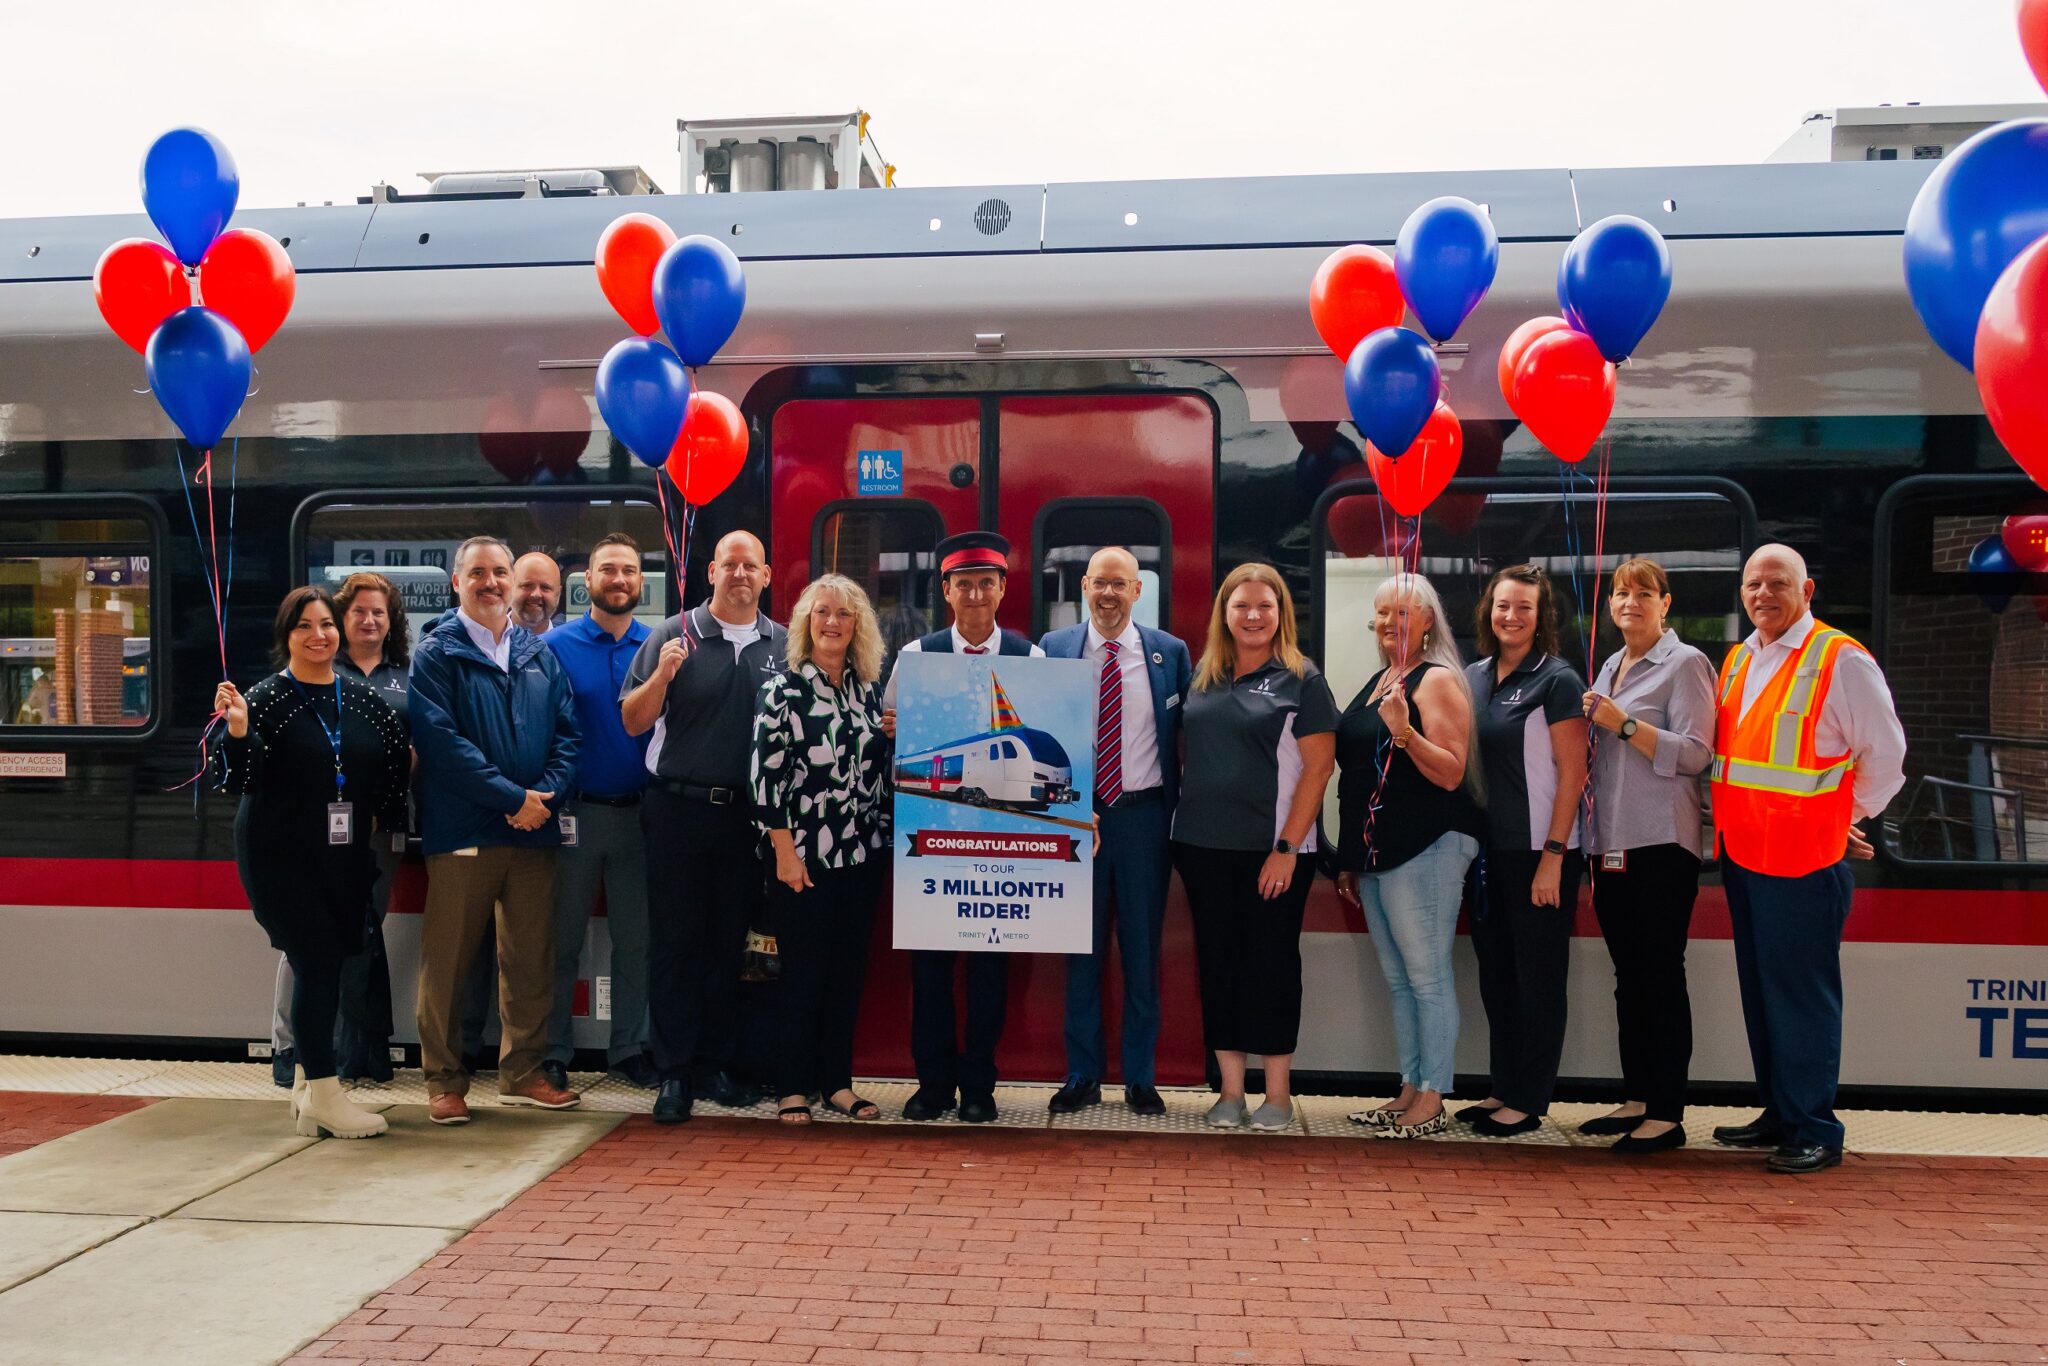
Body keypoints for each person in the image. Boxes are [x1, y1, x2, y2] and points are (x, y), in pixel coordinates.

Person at [1708, 544, 1906, 1175]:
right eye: (1753, 584)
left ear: (1807, 589)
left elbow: (1888, 755)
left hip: (1803, 861)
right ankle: (1781, 1111)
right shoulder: (1740, 658)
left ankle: (1815, 1126)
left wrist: (1843, 818)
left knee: (1802, 997)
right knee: (1763, 993)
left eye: (1778, 583)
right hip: (1743, 854)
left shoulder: (1840, 659)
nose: (1763, 594)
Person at [213, 587, 408, 1138]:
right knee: (317, 963)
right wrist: (238, 730)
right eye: (304, 626)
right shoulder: (265, 699)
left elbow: (390, 764)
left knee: (330, 963)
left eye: (326, 624)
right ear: (286, 636)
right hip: (280, 856)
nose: (318, 635)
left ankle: (306, 1088)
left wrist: (382, 817)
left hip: (344, 856)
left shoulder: (363, 699)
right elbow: (239, 780)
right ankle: (326, 1092)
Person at [410, 535, 582, 1125]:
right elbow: (440, 742)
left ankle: (524, 1072)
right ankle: (444, 1080)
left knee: (531, 960)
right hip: (464, 831)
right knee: (451, 961)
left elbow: (568, 734)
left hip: (533, 833)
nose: (491, 582)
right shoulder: (437, 652)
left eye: (500, 572)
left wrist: (544, 796)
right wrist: (514, 798)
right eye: (477, 573)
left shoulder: (538, 652)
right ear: (456, 582)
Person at [622, 530, 787, 1123]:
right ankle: (673, 1073)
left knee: (726, 946)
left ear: (766, 576)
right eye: (730, 565)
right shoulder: (673, 634)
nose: (740, 574)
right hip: (677, 810)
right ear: (710, 571)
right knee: (675, 945)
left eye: (751, 566)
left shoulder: (784, 644)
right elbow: (633, 723)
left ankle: (715, 1064)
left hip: (745, 817)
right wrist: (662, 678)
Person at [882, 530, 1044, 1124]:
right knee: (929, 972)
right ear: (947, 592)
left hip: (1002, 844)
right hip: (932, 841)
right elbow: (891, 728)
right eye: (963, 584)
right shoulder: (916, 657)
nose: (975, 594)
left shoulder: (1031, 658)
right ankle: (932, 1085)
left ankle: (979, 1085)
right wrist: (893, 730)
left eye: (986, 583)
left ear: (1002, 589)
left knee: (989, 972)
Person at [1170, 563, 1337, 1133]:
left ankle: (1278, 1096)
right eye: (1241, 606)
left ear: (1281, 613)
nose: (1253, 615)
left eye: (1265, 606)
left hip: (1274, 852)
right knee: (1219, 965)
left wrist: (1288, 848)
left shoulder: (1302, 679)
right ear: (1225, 613)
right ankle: (1231, 1092)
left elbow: (1319, 769)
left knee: (1271, 967)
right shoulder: (1203, 675)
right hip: (1201, 847)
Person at [1038, 547, 1191, 1118]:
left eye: (1119, 585)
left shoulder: (1168, 654)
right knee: (1080, 950)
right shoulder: (1053, 649)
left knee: (1143, 950)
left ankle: (1141, 1077)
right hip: (1077, 817)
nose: (1108, 594)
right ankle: (1082, 1074)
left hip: (1143, 820)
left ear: (1137, 590)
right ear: (1084, 586)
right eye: (1099, 583)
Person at [1334, 573, 1483, 1141]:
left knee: (1426, 978)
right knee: (1401, 981)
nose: (1392, 623)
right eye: (1383, 613)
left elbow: (1450, 771)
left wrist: (1404, 734)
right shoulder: (1382, 680)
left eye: (1404, 612)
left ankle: (1433, 1097)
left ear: (1427, 621)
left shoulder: (1438, 680)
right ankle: (1408, 1089)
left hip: (1427, 846)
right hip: (1378, 852)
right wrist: (1350, 856)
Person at [1577, 558, 1717, 1155]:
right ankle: (1637, 1096)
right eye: (1620, 594)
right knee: (1628, 976)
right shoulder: (1611, 664)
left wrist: (1626, 725)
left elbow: (1698, 754)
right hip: (1609, 845)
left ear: (1666, 603)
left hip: (1661, 842)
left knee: (1659, 974)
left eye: (1643, 594)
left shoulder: (1685, 664)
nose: (1630, 603)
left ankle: (1666, 1110)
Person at [751, 574, 891, 1126]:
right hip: (802, 858)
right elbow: (765, 781)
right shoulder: (781, 691)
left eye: (844, 614)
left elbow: (876, 767)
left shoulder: (868, 691)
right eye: (822, 612)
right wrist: (784, 854)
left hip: (861, 856)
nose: (832, 622)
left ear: (858, 628)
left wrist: (893, 736)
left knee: (846, 972)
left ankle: (837, 1083)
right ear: (806, 624)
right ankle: (792, 1088)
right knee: (802, 973)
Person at [266, 571, 413, 1088]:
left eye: (380, 612)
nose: (369, 620)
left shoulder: (407, 677)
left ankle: (356, 1046)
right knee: (307, 938)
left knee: (363, 934)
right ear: (340, 620)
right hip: (316, 830)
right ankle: (291, 1047)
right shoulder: (321, 670)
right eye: (357, 612)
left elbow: (409, 752)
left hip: (377, 827)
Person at [1461, 564, 1588, 1139]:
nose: (1510, 616)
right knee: (1498, 976)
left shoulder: (1557, 680)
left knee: (1538, 978)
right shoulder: (1473, 675)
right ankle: (1502, 1086)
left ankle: (1529, 1098)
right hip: (1488, 853)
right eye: (1502, 606)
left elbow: (1574, 772)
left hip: (1541, 851)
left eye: (1524, 608)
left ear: (1543, 619)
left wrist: (1555, 856)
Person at [539, 534, 658, 1091]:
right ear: (586, 579)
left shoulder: (658, 644)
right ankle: (554, 1050)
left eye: (629, 571)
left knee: (636, 942)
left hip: (640, 817)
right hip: (574, 816)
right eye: (607, 570)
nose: (618, 580)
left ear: (641, 582)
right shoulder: (555, 646)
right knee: (560, 941)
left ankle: (629, 1047)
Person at [513, 551, 563, 635]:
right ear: (510, 587)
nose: (535, 594)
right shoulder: (486, 639)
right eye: (527, 585)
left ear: (558, 593)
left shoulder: (568, 644)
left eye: (545, 588)